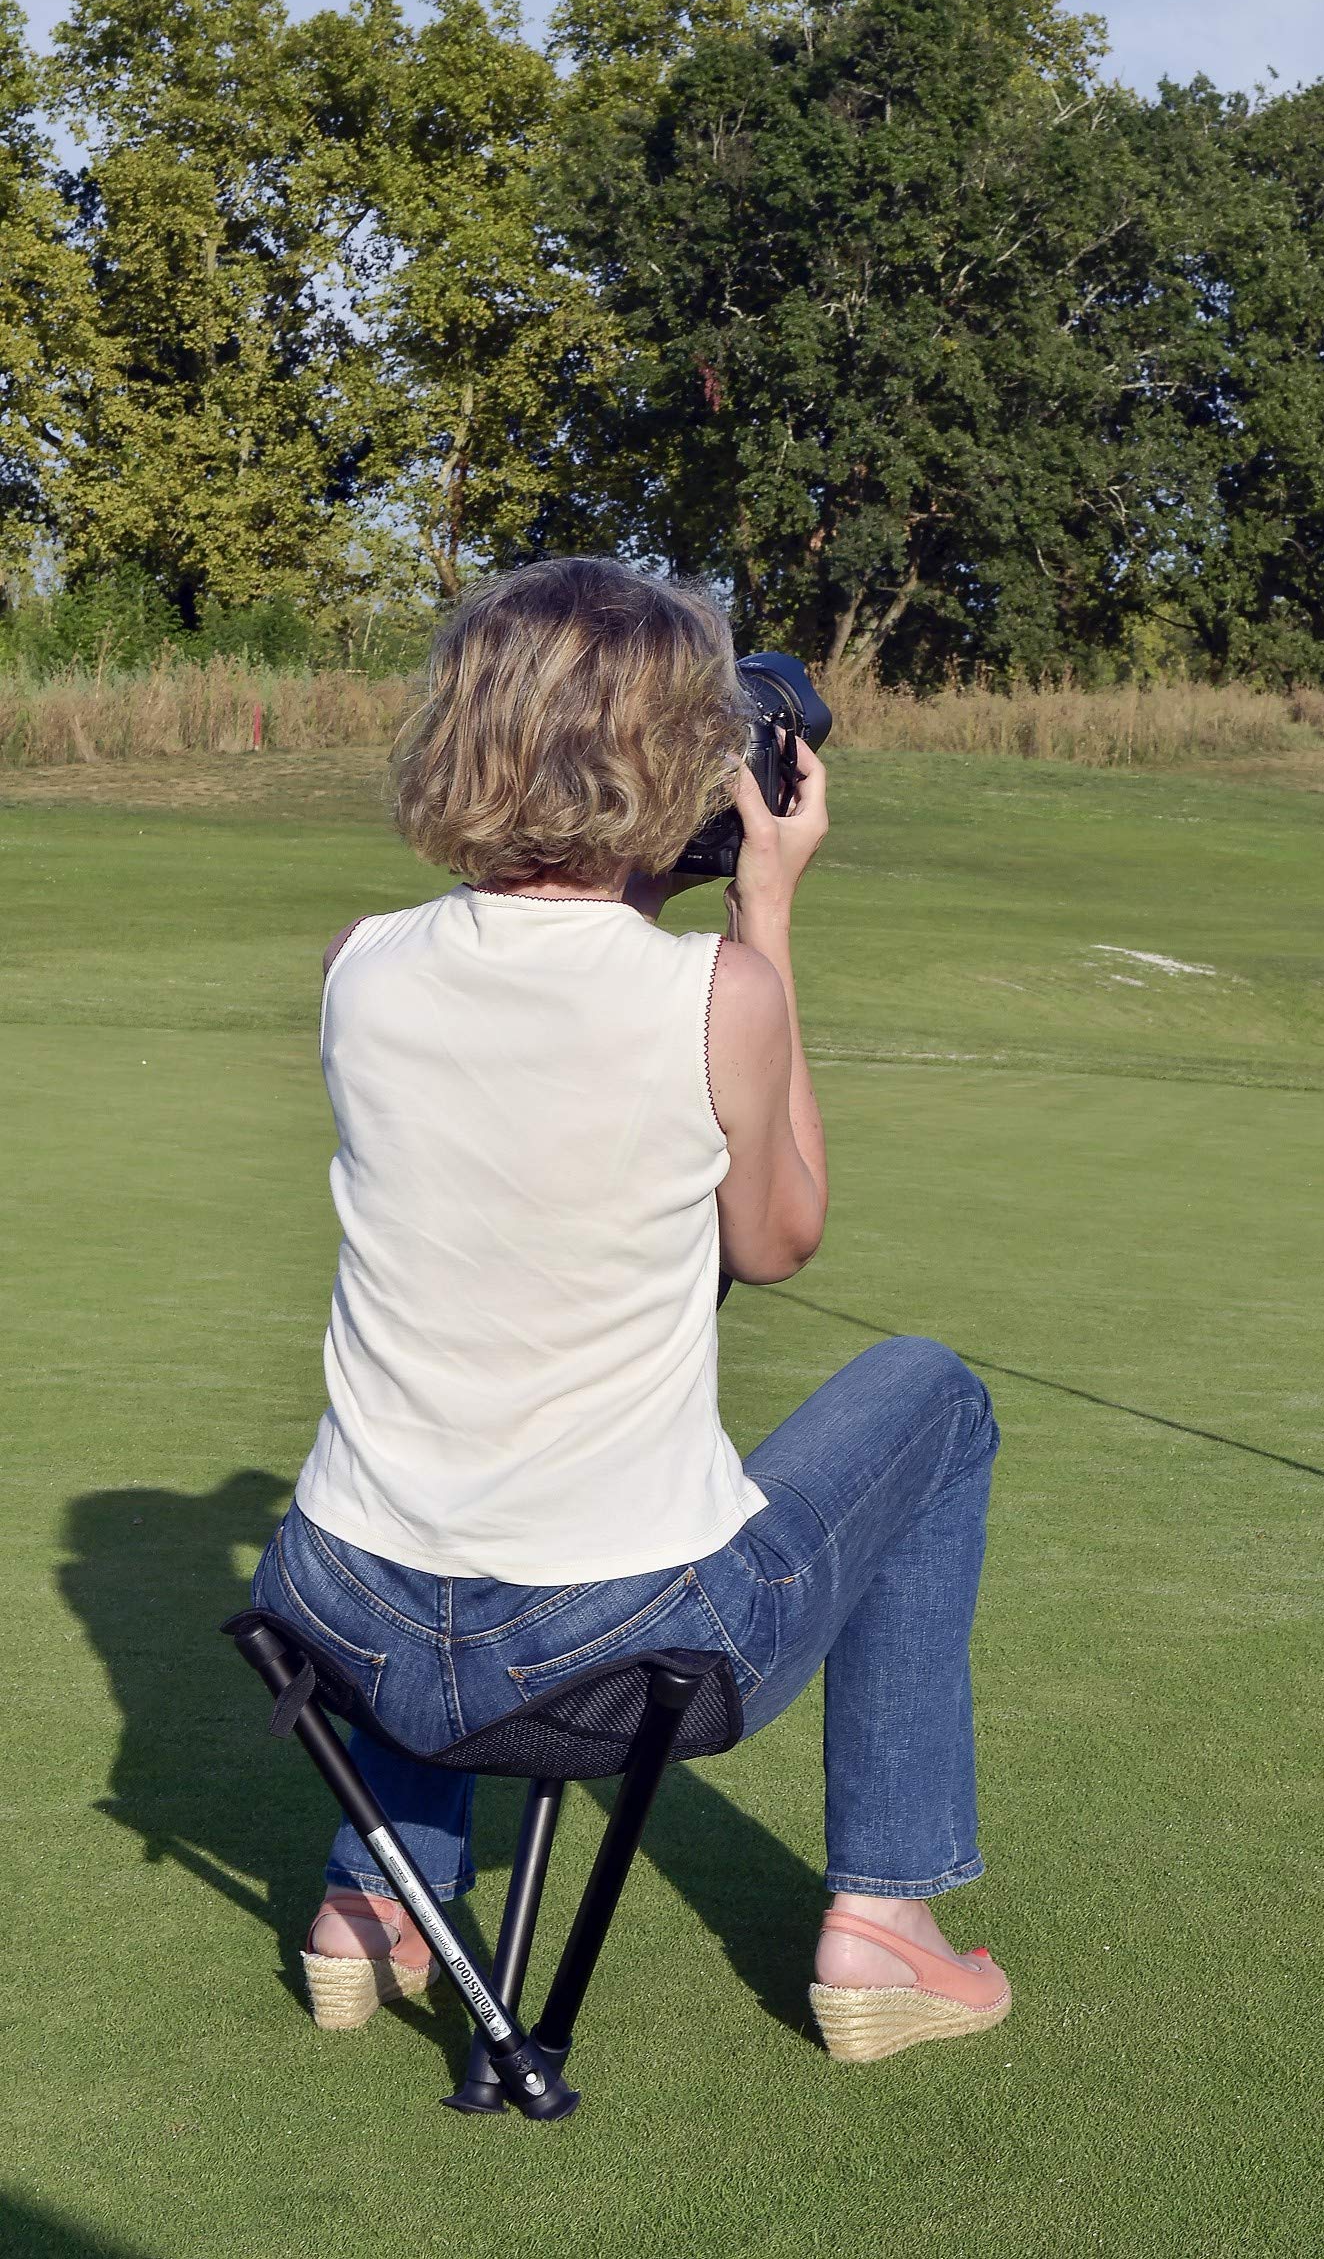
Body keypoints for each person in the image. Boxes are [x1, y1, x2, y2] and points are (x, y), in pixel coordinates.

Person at [250, 557, 1007, 2064]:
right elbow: (779, 1236)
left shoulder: (357, 968)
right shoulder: (710, 995)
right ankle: (888, 1922)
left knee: (441, 1485)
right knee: (937, 1399)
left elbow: (524, 1090)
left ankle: (375, 1896)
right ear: (677, 761)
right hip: (606, 1648)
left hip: (341, 1621)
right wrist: (768, 911)